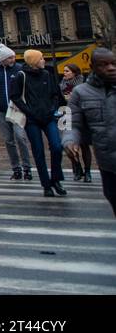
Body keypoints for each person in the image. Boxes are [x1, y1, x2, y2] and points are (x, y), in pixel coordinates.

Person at [64, 48, 115, 216]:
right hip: (108, 164)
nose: (110, 68)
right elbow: (72, 123)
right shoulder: (81, 92)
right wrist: (70, 140)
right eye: (103, 65)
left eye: (113, 63)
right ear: (92, 67)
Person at [10, 49, 67, 196]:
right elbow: (15, 96)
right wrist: (28, 111)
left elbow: (55, 94)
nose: (43, 61)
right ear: (34, 61)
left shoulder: (47, 74)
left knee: (56, 146)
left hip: (48, 116)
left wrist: (52, 108)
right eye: (41, 58)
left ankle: (56, 179)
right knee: (38, 151)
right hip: (32, 120)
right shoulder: (21, 76)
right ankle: (46, 185)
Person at [0, 44, 32, 181]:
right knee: (8, 140)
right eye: (10, 58)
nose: (13, 60)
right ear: (3, 58)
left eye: (14, 57)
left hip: (17, 109)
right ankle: (16, 168)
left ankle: (27, 168)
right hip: (0, 110)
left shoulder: (19, 68)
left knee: (20, 137)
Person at [60, 63, 93, 183]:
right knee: (67, 146)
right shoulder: (62, 85)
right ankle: (77, 167)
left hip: (82, 117)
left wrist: (75, 98)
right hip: (66, 116)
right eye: (64, 71)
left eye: (67, 71)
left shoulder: (84, 85)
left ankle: (88, 172)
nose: (65, 73)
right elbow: (58, 101)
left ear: (74, 73)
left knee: (84, 145)